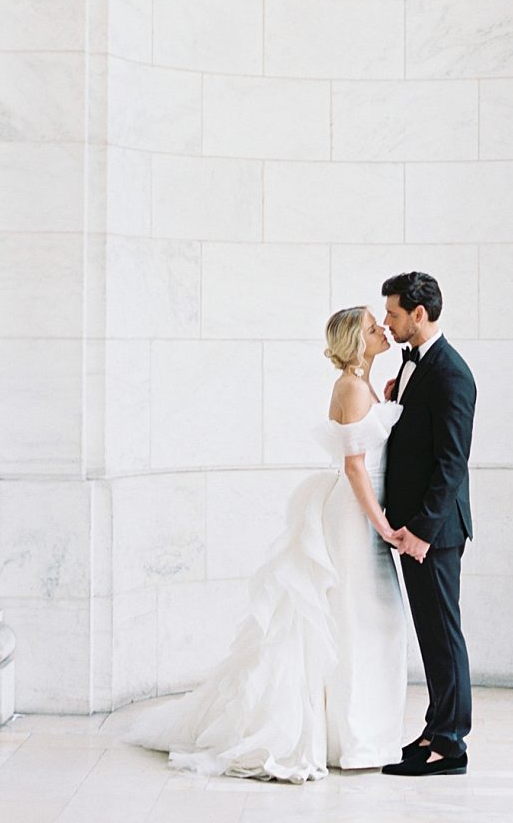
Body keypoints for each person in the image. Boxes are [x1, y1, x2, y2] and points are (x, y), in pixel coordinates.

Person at [124, 306, 407, 782]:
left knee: (367, 619)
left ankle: (358, 734)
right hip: (356, 516)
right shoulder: (354, 388)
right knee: (356, 619)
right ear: (355, 342)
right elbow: (355, 466)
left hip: (358, 511)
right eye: (370, 326)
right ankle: (353, 738)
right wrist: (381, 524)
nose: (381, 328)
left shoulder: (363, 385)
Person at [379, 270, 477, 778]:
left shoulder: (452, 373)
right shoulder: (414, 363)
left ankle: (450, 745)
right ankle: (433, 729)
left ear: (419, 314)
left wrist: (421, 530)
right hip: (415, 527)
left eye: (393, 314)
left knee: (443, 633)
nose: (387, 322)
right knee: (431, 634)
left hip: (434, 532)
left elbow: (451, 463)